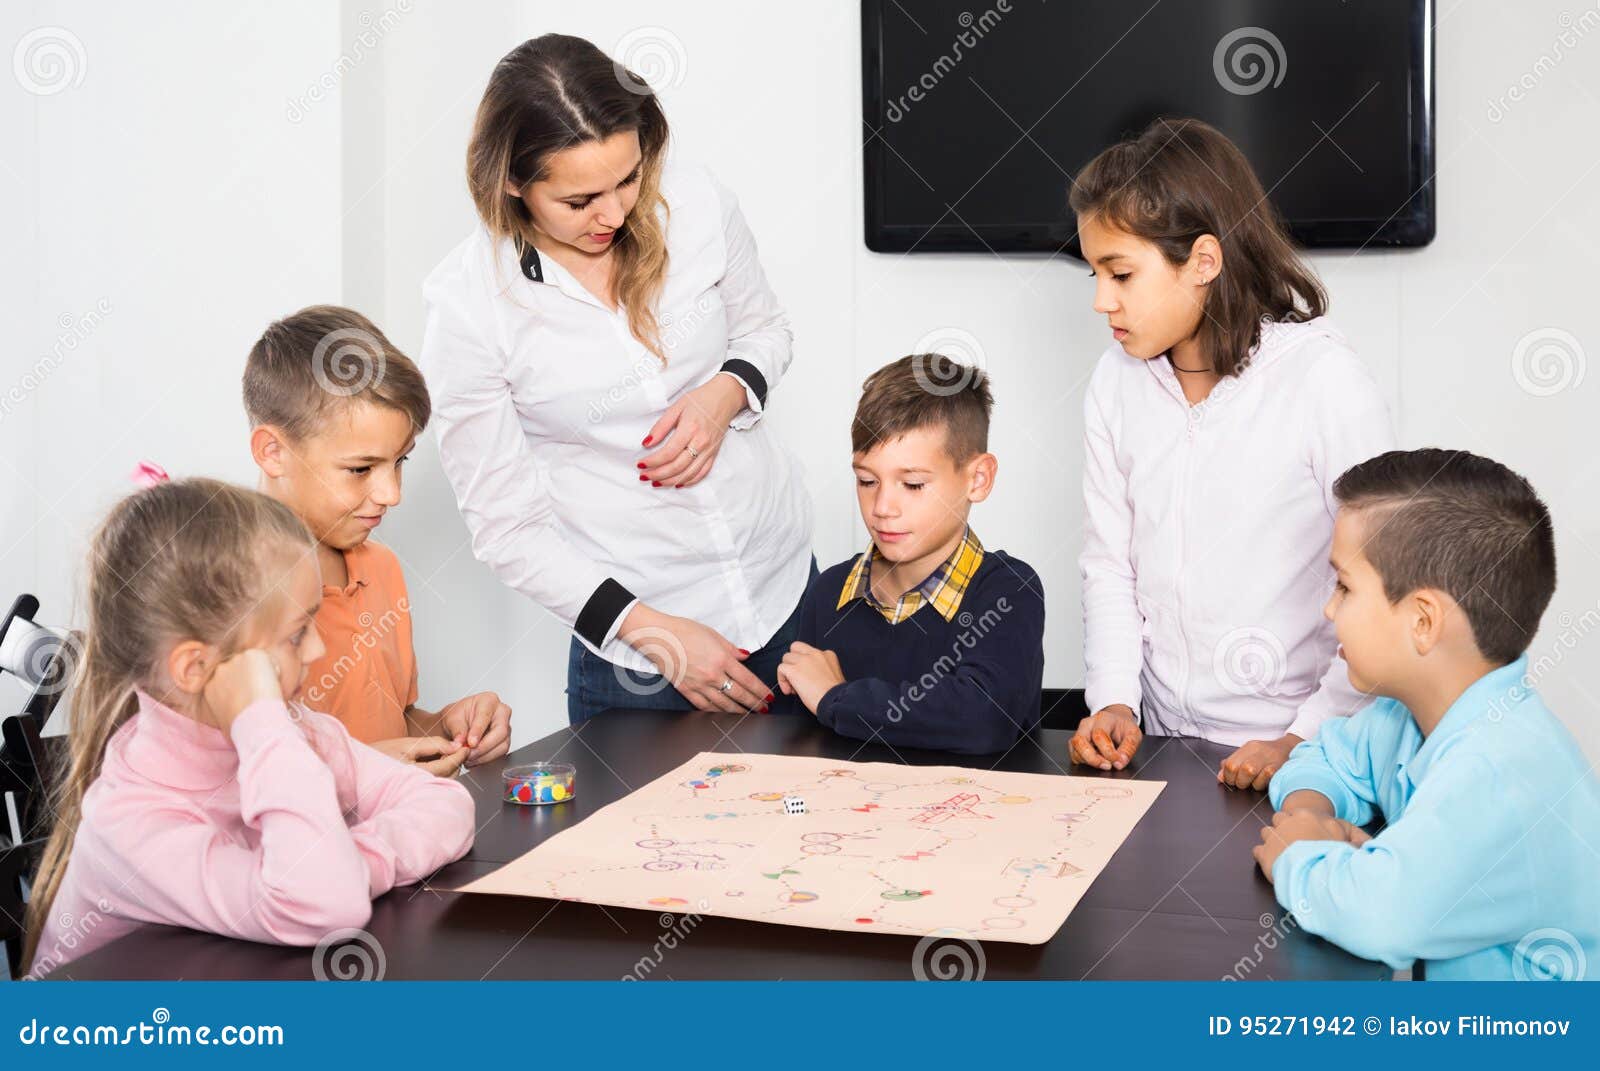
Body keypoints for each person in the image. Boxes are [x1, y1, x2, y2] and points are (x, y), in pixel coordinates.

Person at [419, 34, 814, 724]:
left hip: (785, 588)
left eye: (628, 179)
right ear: (512, 182)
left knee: (814, 825)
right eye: (579, 201)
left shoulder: (696, 203)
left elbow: (766, 331)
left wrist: (726, 393)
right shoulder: (468, 307)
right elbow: (507, 529)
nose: (615, 214)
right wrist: (651, 631)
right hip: (636, 655)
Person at [22, 479, 474, 978]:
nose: (319, 651)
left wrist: (352, 862)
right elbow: (323, 905)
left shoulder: (303, 733)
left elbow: (447, 805)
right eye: (297, 634)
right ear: (196, 669)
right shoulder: (129, 822)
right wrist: (260, 720)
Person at [1069, 117, 1395, 787]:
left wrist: (1299, 738)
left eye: (1121, 273)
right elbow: (1109, 565)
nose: (1102, 300)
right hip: (1160, 746)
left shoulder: (1323, 382)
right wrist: (1113, 699)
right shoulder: (1115, 381)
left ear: (1204, 262)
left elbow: (1387, 584)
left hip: (1306, 753)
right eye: (1096, 273)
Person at [1254, 449, 1600, 980]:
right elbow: (1326, 756)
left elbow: (1379, 919)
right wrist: (1311, 813)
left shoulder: (1501, 771)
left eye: (1344, 586)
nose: (1329, 609)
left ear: (1423, 621)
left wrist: (1298, 855)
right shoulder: (1404, 717)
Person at [777, 355, 1045, 755]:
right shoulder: (829, 591)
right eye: (867, 480)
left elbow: (981, 721)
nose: (883, 506)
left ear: (978, 478)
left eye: (913, 484)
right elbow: (803, 740)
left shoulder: (1007, 590)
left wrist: (837, 697)